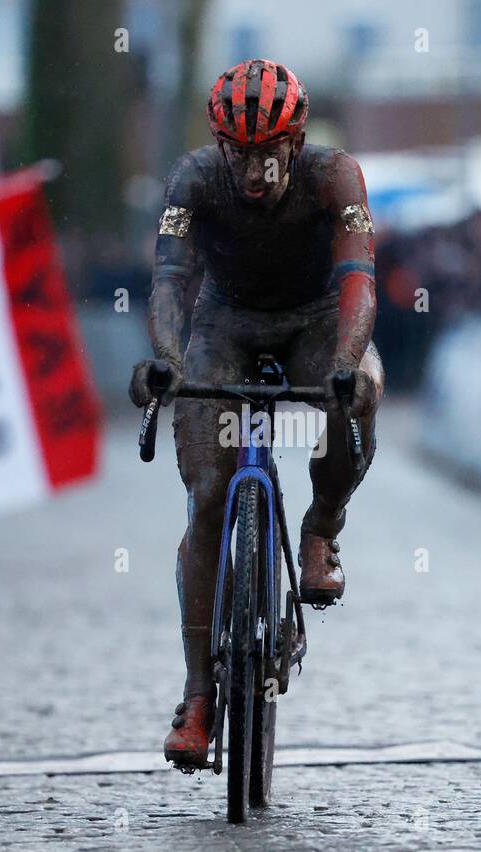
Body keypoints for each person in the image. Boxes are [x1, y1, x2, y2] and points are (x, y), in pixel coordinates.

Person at [128, 59, 384, 767]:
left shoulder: (336, 176)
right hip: (226, 325)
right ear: (220, 145)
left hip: (317, 321)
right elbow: (170, 281)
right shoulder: (192, 178)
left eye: (267, 153)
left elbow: (359, 282)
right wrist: (168, 360)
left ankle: (322, 527)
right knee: (209, 497)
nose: (252, 171)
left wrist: (346, 362)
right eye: (237, 154)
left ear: (295, 143)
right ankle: (198, 696)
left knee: (359, 390)